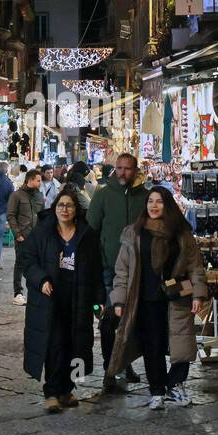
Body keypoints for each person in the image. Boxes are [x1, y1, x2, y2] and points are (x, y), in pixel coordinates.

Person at [109, 186, 209, 409]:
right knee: (152, 345)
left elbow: (195, 267)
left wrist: (198, 294)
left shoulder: (181, 234)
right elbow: (122, 269)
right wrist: (119, 300)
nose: (154, 206)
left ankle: (175, 385)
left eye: (159, 202)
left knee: (182, 342)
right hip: (146, 298)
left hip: (178, 296)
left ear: (168, 205)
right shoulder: (134, 233)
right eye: (150, 201)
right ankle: (157, 390)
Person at [19, 186, 102, 412]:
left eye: (70, 206)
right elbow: (27, 259)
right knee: (54, 343)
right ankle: (52, 391)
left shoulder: (87, 234)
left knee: (74, 342)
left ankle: (67, 388)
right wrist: (41, 279)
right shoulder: (43, 232)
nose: (65, 210)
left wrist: (99, 299)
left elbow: (96, 269)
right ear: (55, 208)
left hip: (78, 295)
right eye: (61, 205)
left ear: (77, 210)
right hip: (51, 296)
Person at [87, 153, 150, 390]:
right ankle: (109, 369)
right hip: (108, 268)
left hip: (138, 270)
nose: (123, 172)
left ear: (135, 170)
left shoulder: (145, 197)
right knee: (108, 319)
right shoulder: (103, 195)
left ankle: (126, 363)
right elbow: (92, 229)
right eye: (119, 168)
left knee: (131, 321)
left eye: (128, 168)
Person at [7, 169, 44, 305]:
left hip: (37, 237)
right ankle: (18, 293)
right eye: (38, 180)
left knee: (37, 264)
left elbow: (43, 215)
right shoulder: (16, 195)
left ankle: (34, 291)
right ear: (30, 180)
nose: (40, 183)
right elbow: (11, 215)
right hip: (23, 236)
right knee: (20, 264)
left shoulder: (39, 196)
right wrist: (17, 234)